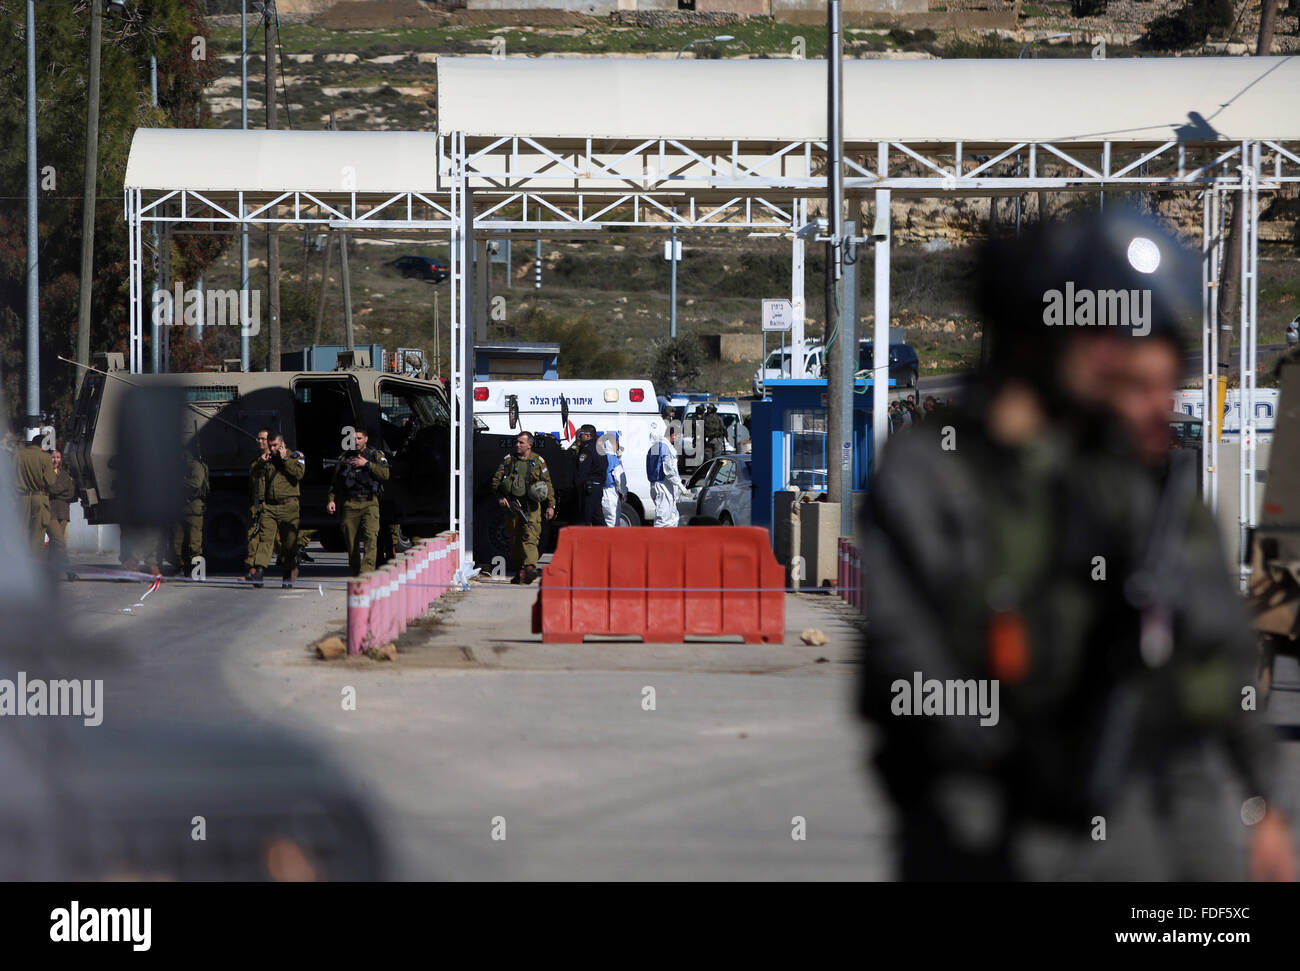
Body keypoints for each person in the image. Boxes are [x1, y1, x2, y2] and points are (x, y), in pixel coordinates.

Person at [857, 207, 1293, 882]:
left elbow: (1220, 652)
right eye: (1128, 365)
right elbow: (904, 669)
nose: (1155, 400)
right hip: (984, 833)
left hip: (1151, 835)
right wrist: (1025, 746)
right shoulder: (933, 475)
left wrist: (1263, 805)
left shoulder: (1135, 480)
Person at [490, 431, 556, 584]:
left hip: (531, 507)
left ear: (529, 445)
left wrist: (550, 505)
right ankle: (520, 572)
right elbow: (495, 481)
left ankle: (530, 568)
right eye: (517, 442)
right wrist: (501, 497)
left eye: (521, 442)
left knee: (531, 537)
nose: (517, 445)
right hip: (512, 507)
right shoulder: (509, 460)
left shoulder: (538, 461)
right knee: (515, 539)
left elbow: (548, 484)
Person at [327, 427, 390, 577]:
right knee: (351, 542)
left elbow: (385, 474)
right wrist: (331, 500)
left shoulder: (375, 455)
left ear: (366, 439)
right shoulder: (345, 457)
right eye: (353, 439)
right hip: (351, 504)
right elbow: (335, 483)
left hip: (370, 503)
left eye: (359, 438)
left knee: (370, 539)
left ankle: (366, 573)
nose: (356, 441)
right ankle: (356, 571)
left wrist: (367, 464)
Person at [247, 435, 304, 588]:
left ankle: (287, 572)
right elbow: (254, 473)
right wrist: (261, 462)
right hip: (270, 507)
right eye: (270, 445)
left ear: (282, 444)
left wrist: (285, 460)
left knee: (289, 542)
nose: (272, 448)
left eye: (275, 445)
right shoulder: (268, 459)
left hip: (289, 506)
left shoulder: (295, 456)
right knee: (265, 539)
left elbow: (299, 474)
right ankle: (259, 571)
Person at [14, 433, 54, 557]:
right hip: (39, 497)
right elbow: (50, 481)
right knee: (38, 533)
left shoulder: (18, 455)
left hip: (22, 498)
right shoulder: (45, 457)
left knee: (22, 531)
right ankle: (35, 564)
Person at [174, 445, 208, 578]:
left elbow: (196, 483)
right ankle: (181, 568)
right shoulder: (179, 466)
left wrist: (179, 482)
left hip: (194, 507)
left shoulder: (195, 466)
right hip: (180, 507)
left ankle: (197, 571)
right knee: (177, 542)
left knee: (195, 544)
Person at [244, 428, 272, 578]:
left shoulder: (275, 461)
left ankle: (290, 570)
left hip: (272, 505)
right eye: (258, 439)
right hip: (257, 504)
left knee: (280, 541)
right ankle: (254, 570)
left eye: (263, 439)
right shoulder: (256, 462)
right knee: (253, 537)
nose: (260, 442)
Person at [47, 448, 77, 578]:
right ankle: (70, 571)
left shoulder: (64, 474)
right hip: (50, 512)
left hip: (63, 512)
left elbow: (70, 492)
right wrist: (58, 491)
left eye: (58, 457)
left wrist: (55, 492)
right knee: (58, 541)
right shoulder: (47, 473)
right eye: (53, 457)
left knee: (55, 543)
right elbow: (52, 489)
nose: (55, 460)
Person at [647, 425, 684, 527]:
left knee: (670, 518)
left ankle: (669, 541)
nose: (678, 439)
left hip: (658, 485)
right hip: (664, 486)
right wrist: (680, 484)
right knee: (663, 519)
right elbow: (668, 470)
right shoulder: (664, 447)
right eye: (678, 436)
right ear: (673, 435)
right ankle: (658, 542)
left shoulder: (655, 447)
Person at [573, 424, 608, 526]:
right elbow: (605, 465)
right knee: (597, 517)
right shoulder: (599, 448)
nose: (579, 437)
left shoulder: (586, 449)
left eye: (581, 434)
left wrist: (577, 486)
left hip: (589, 488)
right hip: (598, 486)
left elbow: (582, 471)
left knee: (584, 518)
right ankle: (605, 540)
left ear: (588, 436)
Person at [599, 432, 627, 527]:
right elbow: (620, 478)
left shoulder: (600, 457)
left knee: (603, 520)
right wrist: (623, 492)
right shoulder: (613, 459)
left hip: (600, 492)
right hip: (611, 492)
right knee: (613, 520)